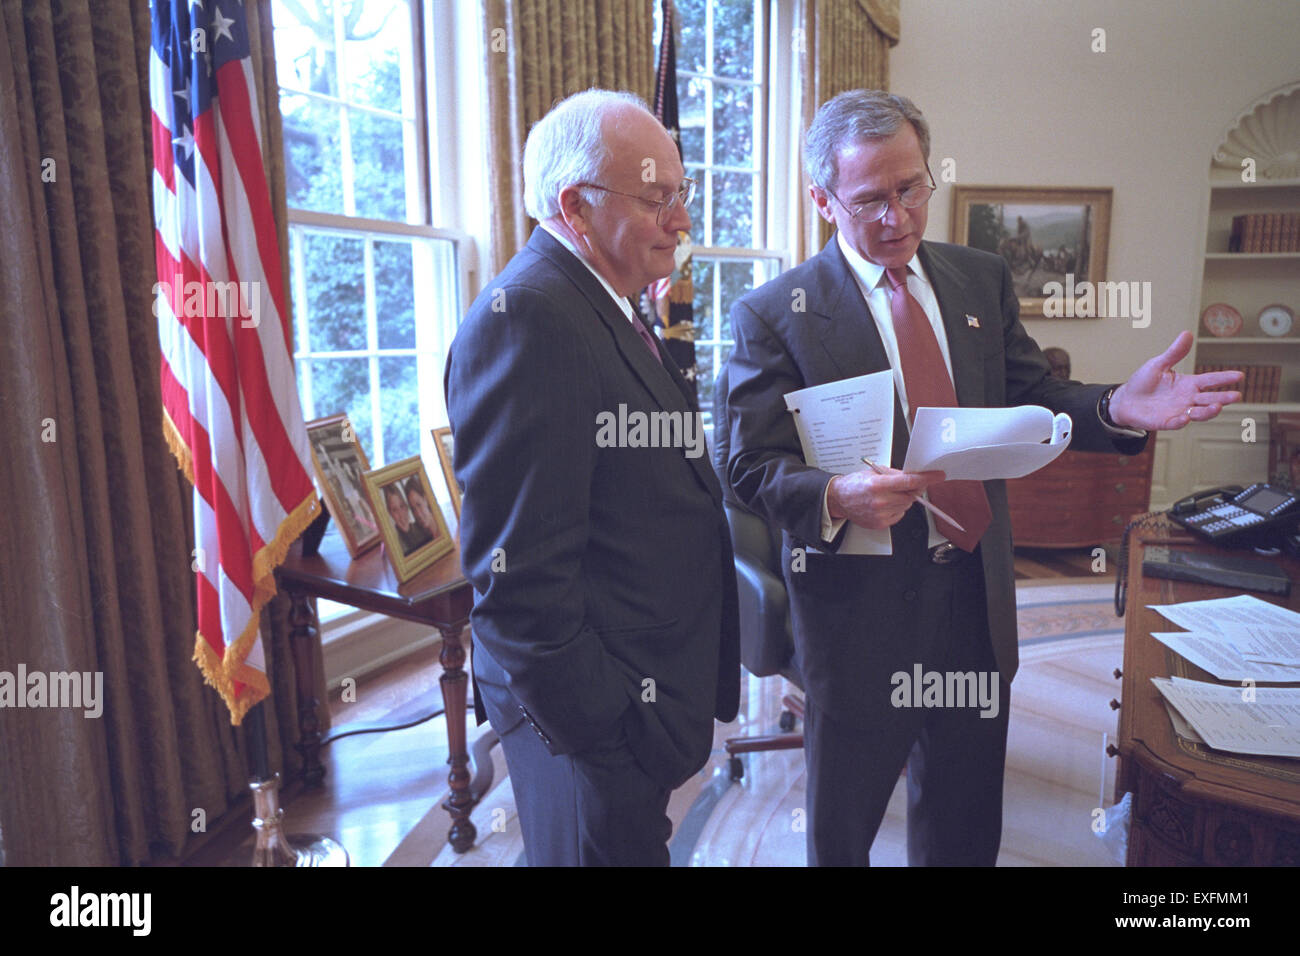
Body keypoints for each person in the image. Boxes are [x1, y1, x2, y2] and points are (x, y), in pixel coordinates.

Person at [723, 89, 1242, 867]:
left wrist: (1118, 407)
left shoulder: (978, 279)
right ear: (822, 200)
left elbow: (1033, 395)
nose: (897, 217)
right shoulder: (776, 313)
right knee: (845, 830)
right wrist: (834, 496)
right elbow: (745, 466)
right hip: (857, 616)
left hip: (973, 596)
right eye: (870, 200)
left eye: (911, 189)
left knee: (964, 822)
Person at [444, 89, 740, 866]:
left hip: (643, 686)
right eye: (658, 198)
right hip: (596, 728)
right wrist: (609, 738)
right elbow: (519, 587)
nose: (682, 220)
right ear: (575, 205)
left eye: (682, 194)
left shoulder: (603, 295)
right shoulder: (529, 319)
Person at [383, 482, 431, 556]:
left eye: (402, 506)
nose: (401, 514)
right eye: (395, 510)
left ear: (406, 506)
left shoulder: (423, 528)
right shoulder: (395, 545)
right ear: (390, 513)